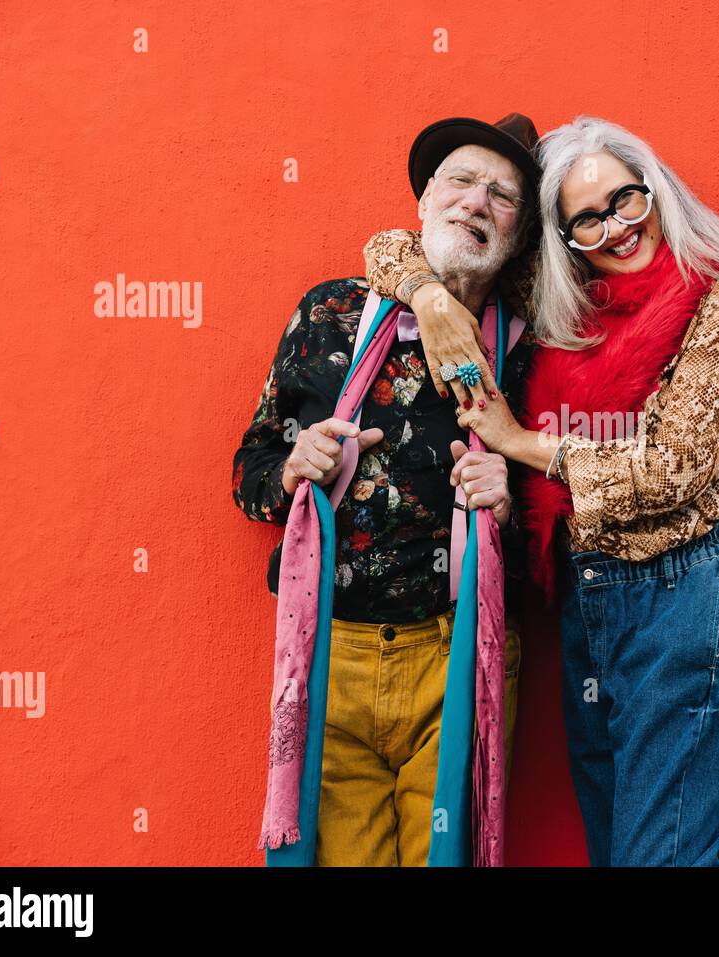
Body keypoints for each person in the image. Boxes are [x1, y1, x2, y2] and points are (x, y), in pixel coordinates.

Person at [362, 115, 719, 866]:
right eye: (587, 219)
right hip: (593, 598)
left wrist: (522, 443)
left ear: (656, 192)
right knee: (618, 849)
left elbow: (673, 464)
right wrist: (429, 300)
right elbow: (391, 247)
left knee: (666, 854)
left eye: (625, 200)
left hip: (695, 583)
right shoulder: (563, 296)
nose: (616, 229)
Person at [232, 113, 542, 866]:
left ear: (518, 235)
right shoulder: (330, 315)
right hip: (333, 654)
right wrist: (294, 465)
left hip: (456, 652)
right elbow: (249, 469)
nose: (477, 202)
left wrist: (509, 499)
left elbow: (559, 526)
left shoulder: (528, 349)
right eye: (461, 181)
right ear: (424, 202)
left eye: (501, 197)